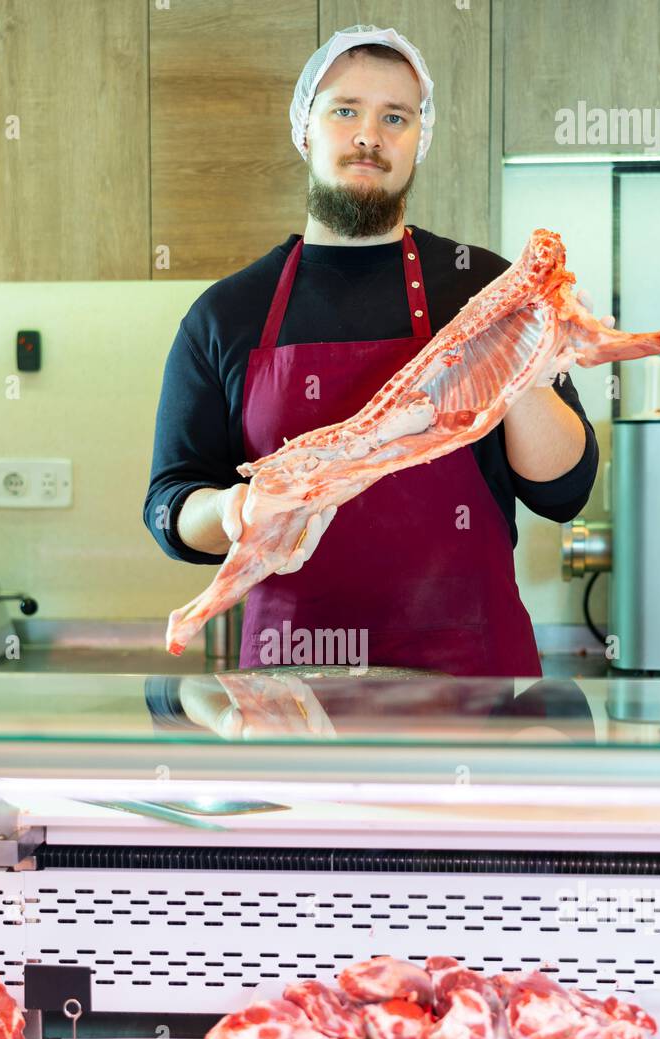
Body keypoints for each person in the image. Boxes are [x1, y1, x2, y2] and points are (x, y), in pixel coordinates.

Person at [144, 24, 602, 678]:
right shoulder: (227, 313)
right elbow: (169, 504)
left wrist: (516, 369)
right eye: (345, 111)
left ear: (421, 140)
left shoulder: (488, 288)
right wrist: (235, 510)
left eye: (396, 116)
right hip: (292, 688)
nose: (370, 134)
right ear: (305, 128)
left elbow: (566, 491)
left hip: (473, 682)